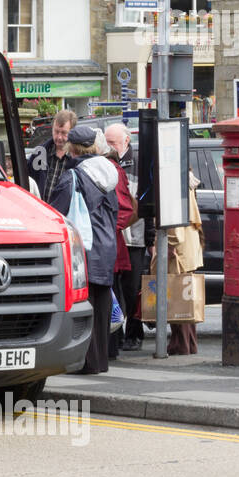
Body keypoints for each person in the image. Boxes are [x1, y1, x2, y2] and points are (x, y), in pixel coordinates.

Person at [49, 126, 118, 374]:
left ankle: (85, 362)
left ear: (73, 148)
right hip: (107, 247)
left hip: (84, 249)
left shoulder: (73, 176)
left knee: (83, 307)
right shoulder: (110, 174)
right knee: (101, 306)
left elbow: (55, 213)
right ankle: (100, 362)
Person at [105, 123, 145, 350]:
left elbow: (143, 205)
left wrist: (150, 240)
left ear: (126, 141)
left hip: (134, 237)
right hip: (116, 237)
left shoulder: (136, 163)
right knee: (116, 289)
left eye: (113, 143)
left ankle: (134, 333)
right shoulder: (107, 164)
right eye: (107, 142)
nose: (110, 147)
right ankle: (117, 334)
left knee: (133, 289)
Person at [161, 169, 204, 355]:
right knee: (187, 298)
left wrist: (170, 244)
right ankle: (190, 343)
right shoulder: (187, 179)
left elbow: (174, 220)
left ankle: (180, 344)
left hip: (179, 249)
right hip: (190, 244)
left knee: (176, 297)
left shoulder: (173, 183)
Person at [105, 137, 136, 359]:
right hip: (109, 244)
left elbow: (127, 208)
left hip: (111, 244)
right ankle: (112, 343)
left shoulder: (113, 170)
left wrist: (106, 229)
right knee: (112, 294)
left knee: (113, 295)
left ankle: (113, 344)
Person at [27, 109, 78, 203]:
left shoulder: (77, 158)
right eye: (56, 131)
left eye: (63, 133)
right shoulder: (40, 153)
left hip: (64, 215)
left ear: (72, 132)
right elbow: (28, 180)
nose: (58, 137)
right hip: (41, 210)